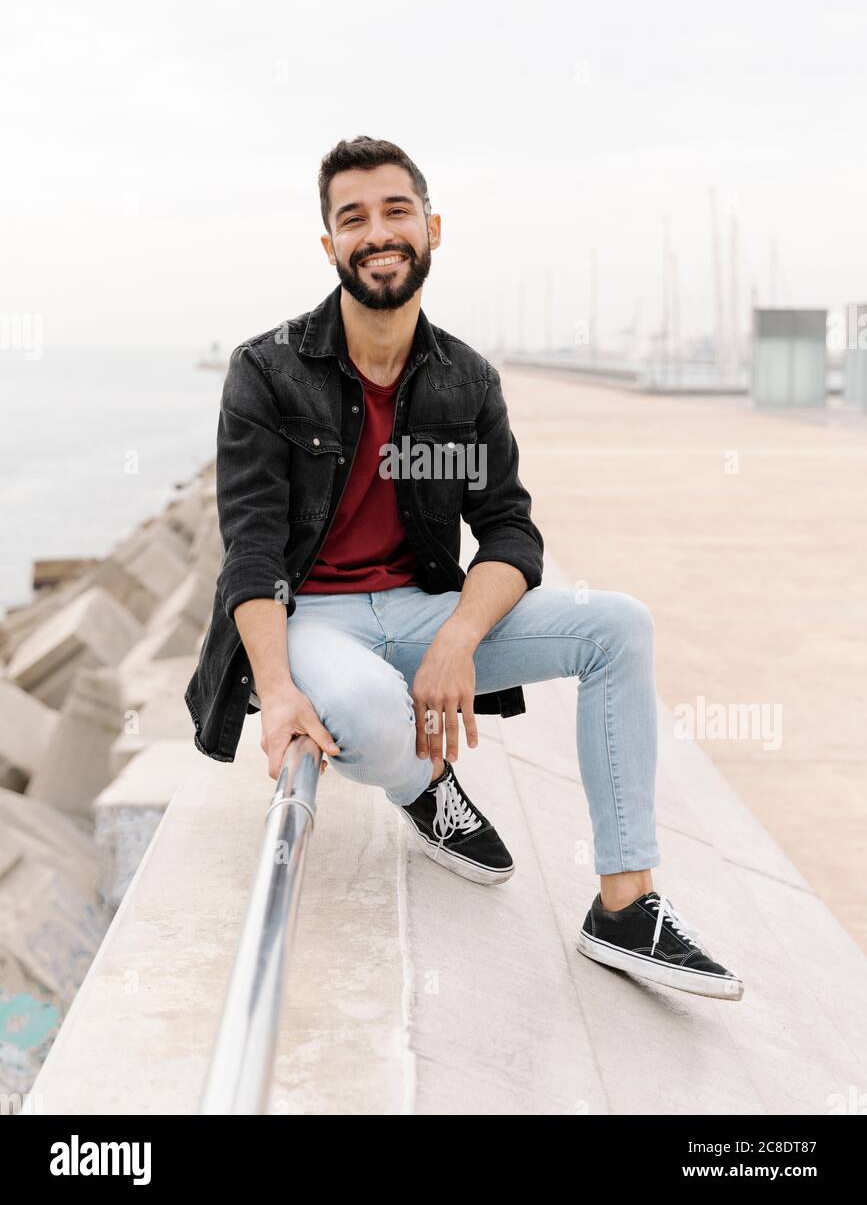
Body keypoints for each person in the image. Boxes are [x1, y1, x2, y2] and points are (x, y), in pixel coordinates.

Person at [186, 135, 743, 1003]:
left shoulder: (465, 379)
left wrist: (457, 636)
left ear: (431, 228)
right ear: (328, 244)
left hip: (418, 610)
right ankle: (427, 789)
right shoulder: (266, 370)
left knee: (618, 625)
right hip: (314, 620)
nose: (377, 232)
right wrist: (278, 690)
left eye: (395, 211)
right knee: (370, 707)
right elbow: (251, 551)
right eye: (352, 218)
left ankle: (624, 907)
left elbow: (509, 531)